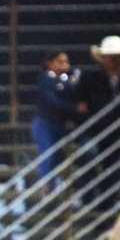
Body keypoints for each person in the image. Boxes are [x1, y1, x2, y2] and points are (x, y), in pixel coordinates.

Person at [31, 51, 87, 183]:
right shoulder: (46, 80)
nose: (64, 65)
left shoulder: (66, 80)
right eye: (60, 62)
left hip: (59, 124)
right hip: (45, 123)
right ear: (49, 64)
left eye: (66, 62)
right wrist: (74, 108)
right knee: (48, 154)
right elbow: (52, 101)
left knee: (57, 156)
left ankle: (54, 185)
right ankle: (46, 185)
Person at [79, 35, 120, 142]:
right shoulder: (90, 79)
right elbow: (82, 105)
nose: (112, 60)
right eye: (109, 56)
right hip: (97, 131)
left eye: (116, 56)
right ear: (103, 58)